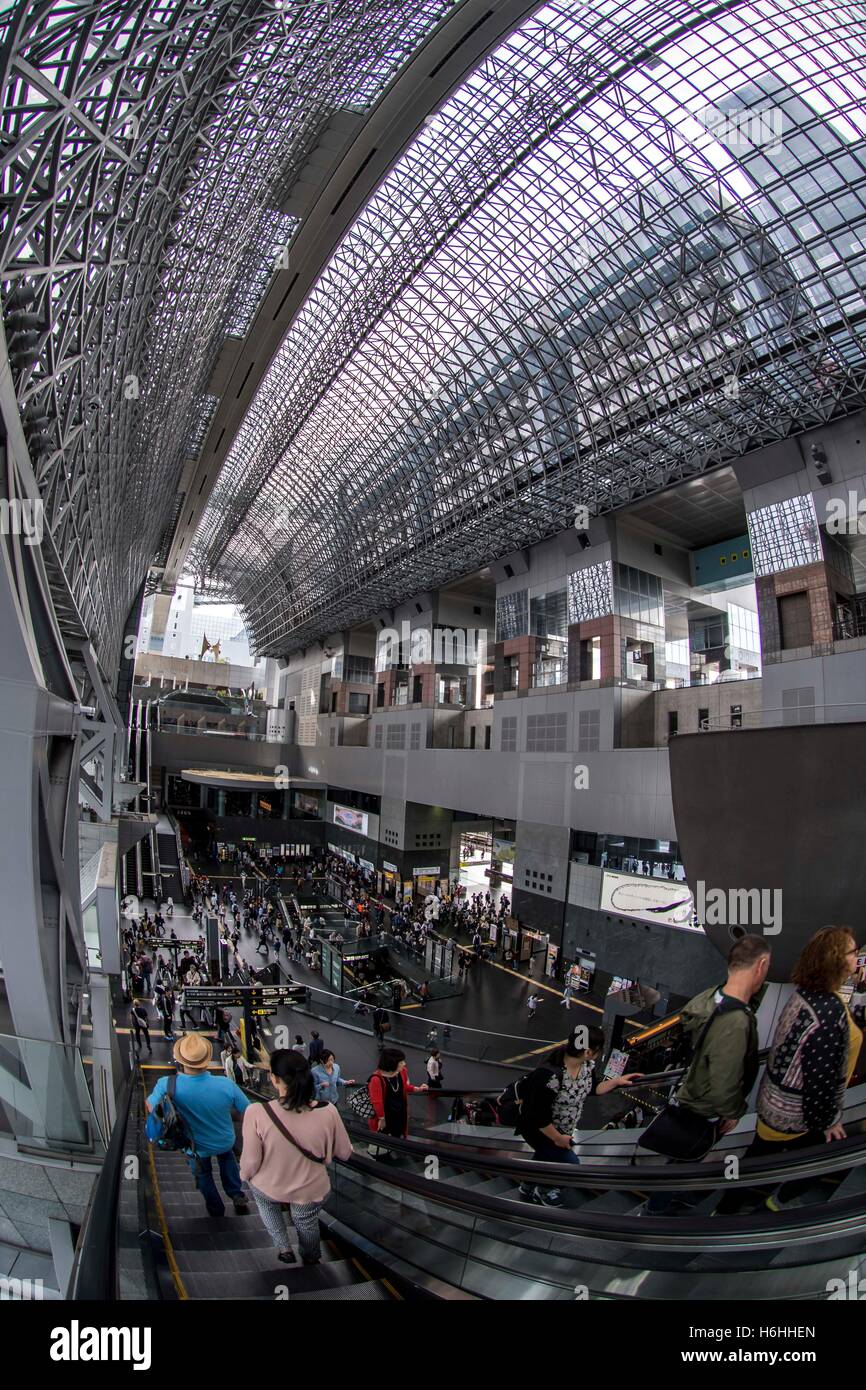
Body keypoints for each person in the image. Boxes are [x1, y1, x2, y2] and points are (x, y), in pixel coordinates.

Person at [639, 935, 771, 1215]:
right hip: (707, 1109)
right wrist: (732, 1113)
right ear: (760, 966)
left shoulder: (712, 997)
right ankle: (656, 1210)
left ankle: (661, 1203)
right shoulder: (735, 1023)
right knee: (686, 1158)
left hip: (692, 1092)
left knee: (681, 1157)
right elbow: (724, 1084)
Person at [747, 926, 862, 1209]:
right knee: (821, 1160)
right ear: (836, 960)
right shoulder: (827, 1016)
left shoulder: (808, 994)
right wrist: (830, 1121)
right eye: (853, 952)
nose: (857, 955)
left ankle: (730, 1207)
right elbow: (819, 1080)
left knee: (756, 1165)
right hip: (793, 1117)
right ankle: (775, 1203)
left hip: (773, 1106)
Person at [240, 1050, 353, 1265]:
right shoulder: (328, 1111)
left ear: (274, 1079)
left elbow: (251, 1162)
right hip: (310, 1187)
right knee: (306, 1220)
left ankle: (284, 1248)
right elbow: (345, 1152)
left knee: (264, 1200)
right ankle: (311, 1257)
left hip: (270, 1184)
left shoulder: (256, 1112)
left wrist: (244, 1176)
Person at [516, 1025, 642, 1206]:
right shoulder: (550, 1076)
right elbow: (538, 1116)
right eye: (598, 1050)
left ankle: (527, 1185)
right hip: (540, 1130)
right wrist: (558, 1138)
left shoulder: (586, 1066)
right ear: (588, 1052)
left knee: (546, 1156)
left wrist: (616, 1081)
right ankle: (544, 1189)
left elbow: (593, 1088)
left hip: (563, 1129)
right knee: (570, 1163)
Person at [146, 1033, 251, 1217]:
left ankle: (216, 1210)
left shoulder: (167, 1084)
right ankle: (237, 1195)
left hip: (194, 1146)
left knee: (204, 1176)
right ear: (207, 1060)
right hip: (224, 1141)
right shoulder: (226, 1084)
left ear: (179, 1060)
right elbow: (248, 1111)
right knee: (228, 1161)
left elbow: (150, 1106)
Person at [367, 1048, 428, 1157]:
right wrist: (381, 1118)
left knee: (398, 1133)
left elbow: (404, 1086)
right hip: (386, 1116)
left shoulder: (402, 1072)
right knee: (384, 1139)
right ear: (392, 1063)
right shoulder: (376, 1079)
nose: (404, 1064)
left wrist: (417, 1089)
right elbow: (377, 1102)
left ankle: (394, 1149)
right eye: (401, 1062)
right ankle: (385, 1155)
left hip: (400, 1113)